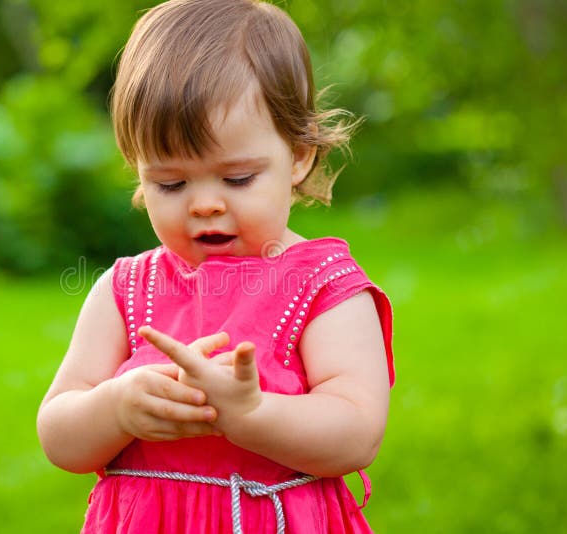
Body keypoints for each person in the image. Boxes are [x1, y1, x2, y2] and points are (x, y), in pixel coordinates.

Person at [37, 0, 395, 532]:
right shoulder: (125, 291)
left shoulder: (325, 288)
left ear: (298, 156)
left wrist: (251, 415)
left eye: (237, 178)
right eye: (171, 183)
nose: (204, 204)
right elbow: (58, 433)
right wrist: (114, 409)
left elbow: (356, 432)